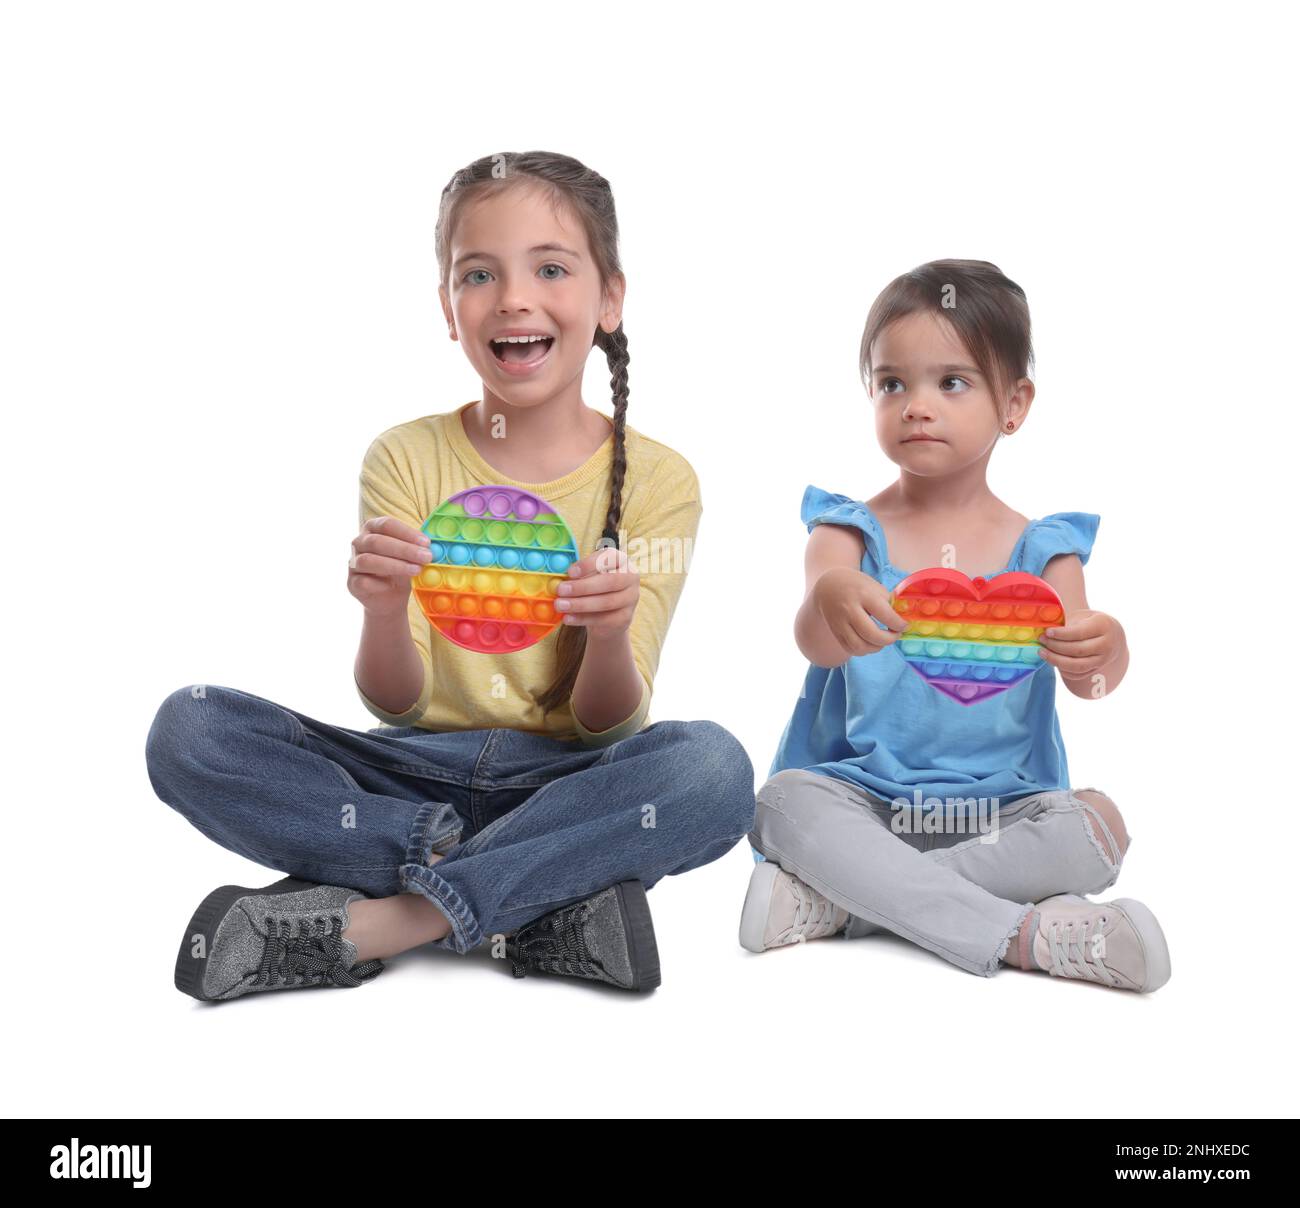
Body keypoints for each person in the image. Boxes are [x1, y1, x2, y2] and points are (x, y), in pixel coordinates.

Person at [147, 151, 755, 1003]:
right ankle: (541, 901)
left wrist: (610, 634)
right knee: (191, 729)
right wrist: (384, 608)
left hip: (566, 782)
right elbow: (393, 704)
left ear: (609, 298)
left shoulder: (660, 481)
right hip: (403, 782)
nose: (512, 297)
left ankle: (384, 922)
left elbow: (610, 722)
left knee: (712, 772)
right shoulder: (405, 456)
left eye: (550, 267)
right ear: (448, 307)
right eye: (479, 273)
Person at [739, 259, 1170, 993]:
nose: (916, 405)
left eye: (953, 382)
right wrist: (832, 597)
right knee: (780, 802)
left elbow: (1091, 680)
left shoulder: (1044, 552)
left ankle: (844, 906)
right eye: (892, 383)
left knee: (1101, 824)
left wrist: (1108, 647)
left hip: (1004, 815)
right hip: (867, 805)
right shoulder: (847, 536)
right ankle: (1025, 936)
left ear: (1015, 403)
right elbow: (813, 638)